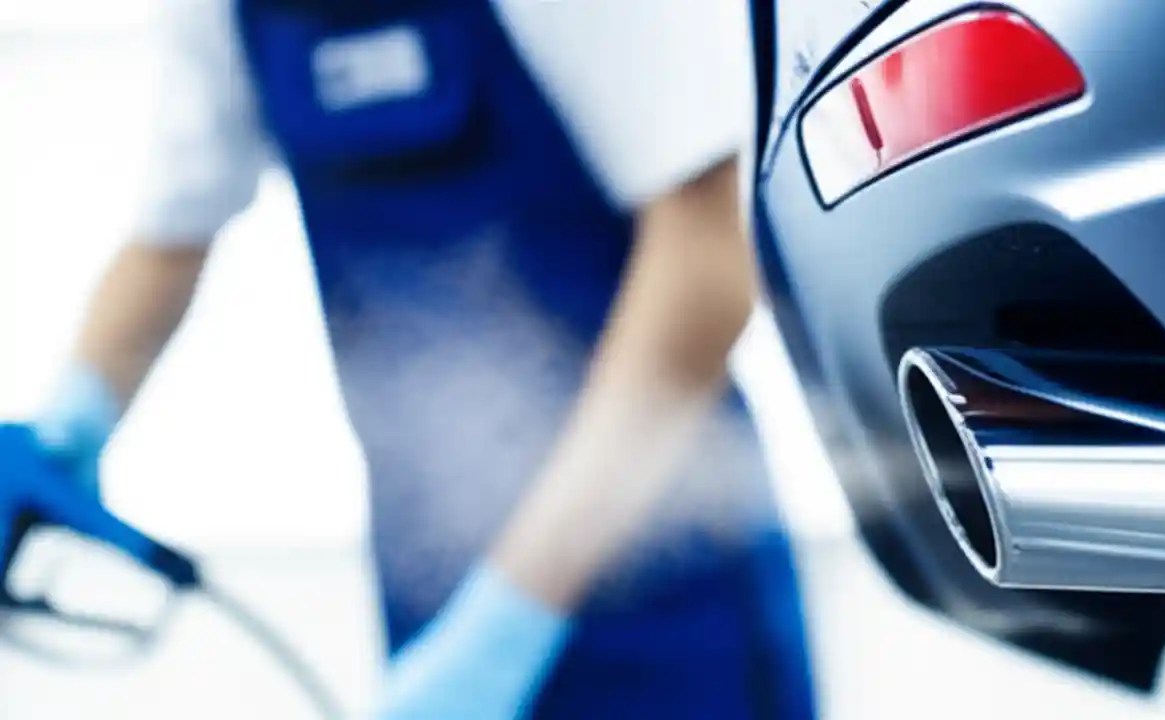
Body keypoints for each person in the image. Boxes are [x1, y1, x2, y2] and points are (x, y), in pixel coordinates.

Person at [5, 0, 816, 717]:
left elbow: (707, 257)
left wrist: (510, 621)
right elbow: (174, 233)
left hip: (664, 582)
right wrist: (75, 416)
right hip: (430, 577)